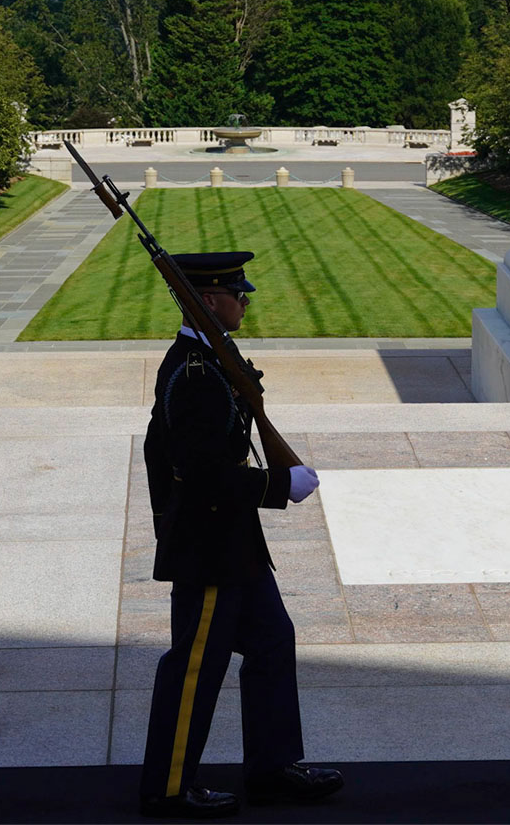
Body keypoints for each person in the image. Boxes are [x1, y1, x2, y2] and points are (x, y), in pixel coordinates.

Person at [138, 251, 343, 819]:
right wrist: (279, 484)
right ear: (207, 301)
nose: (246, 300)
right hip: (208, 550)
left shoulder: (210, 359)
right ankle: (169, 787)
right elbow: (201, 473)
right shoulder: (199, 374)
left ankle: (273, 769)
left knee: (273, 642)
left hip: (234, 546)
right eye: (237, 293)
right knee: (195, 666)